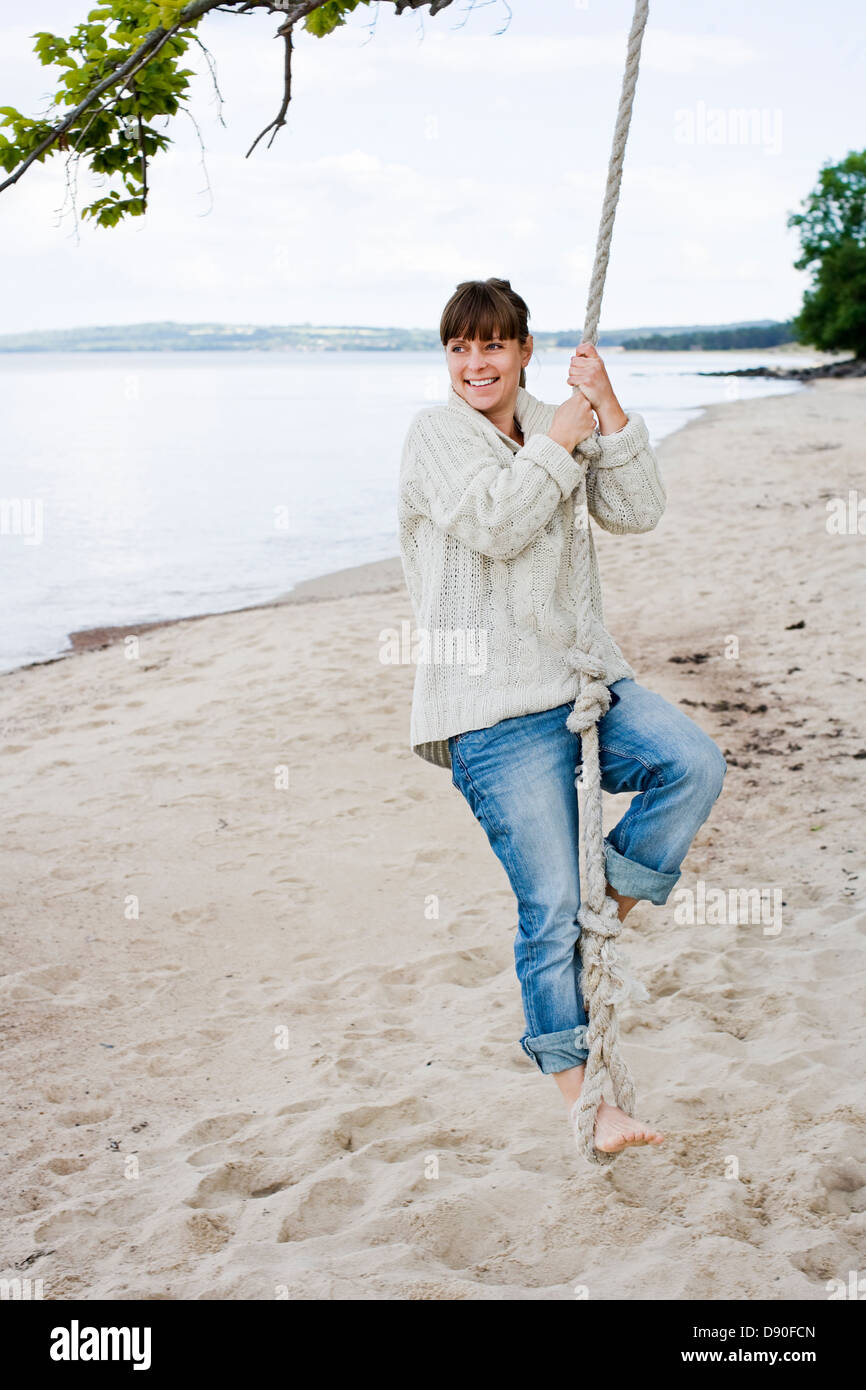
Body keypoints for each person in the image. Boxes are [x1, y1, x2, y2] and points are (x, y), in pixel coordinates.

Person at [397, 277, 727, 1156]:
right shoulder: (435, 436)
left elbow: (637, 510)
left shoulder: (559, 415)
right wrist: (559, 440)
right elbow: (499, 523)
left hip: (584, 682)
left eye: (493, 346)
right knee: (546, 908)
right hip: (491, 711)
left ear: (523, 350)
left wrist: (607, 408)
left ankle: (613, 901)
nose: (477, 364)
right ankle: (590, 1104)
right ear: (449, 357)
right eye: (460, 348)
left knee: (692, 764)